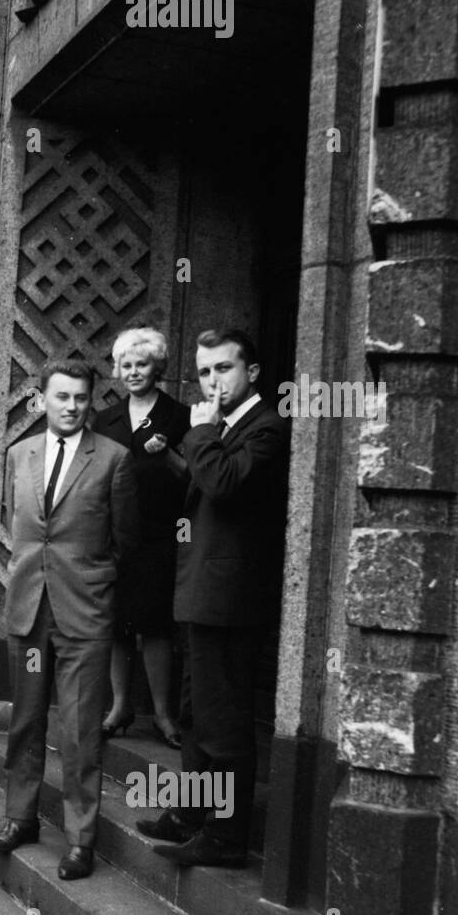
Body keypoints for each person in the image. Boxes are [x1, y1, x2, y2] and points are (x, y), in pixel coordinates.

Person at [139, 327, 290, 867]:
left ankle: (226, 838)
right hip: (200, 594)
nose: (212, 381)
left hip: (229, 601)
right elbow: (211, 496)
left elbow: (227, 484)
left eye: (223, 369)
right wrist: (179, 458)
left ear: (251, 372)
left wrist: (199, 435)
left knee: (223, 723)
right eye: (203, 372)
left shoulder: (267, 427)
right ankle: (190, 815)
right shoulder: (225, 427)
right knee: (197, 715)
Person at [0, 359, 140, 880]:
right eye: (62, 397)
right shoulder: (19, 454)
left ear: (91, 401)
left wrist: (92, 584)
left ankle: (80, 840)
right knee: (25, 722)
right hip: (29, 606)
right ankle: (20, 817)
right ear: (43, 399)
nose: (72, 406)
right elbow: (20, 523)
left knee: (80, 731)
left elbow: (126, 541)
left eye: (81, 398)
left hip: (85, 613)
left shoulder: (115, 460)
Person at [94, 326, 190, 748]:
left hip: (158, 536)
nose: (133, 372)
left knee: (154, 626)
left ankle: (164, 716)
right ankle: (120, 707)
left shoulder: (179, 415)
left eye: (142, 364)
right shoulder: (106, 419)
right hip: (113, 536)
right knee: (116, 624)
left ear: (158, 368)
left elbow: (194, 480)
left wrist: (166, 455)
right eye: (126, 365)